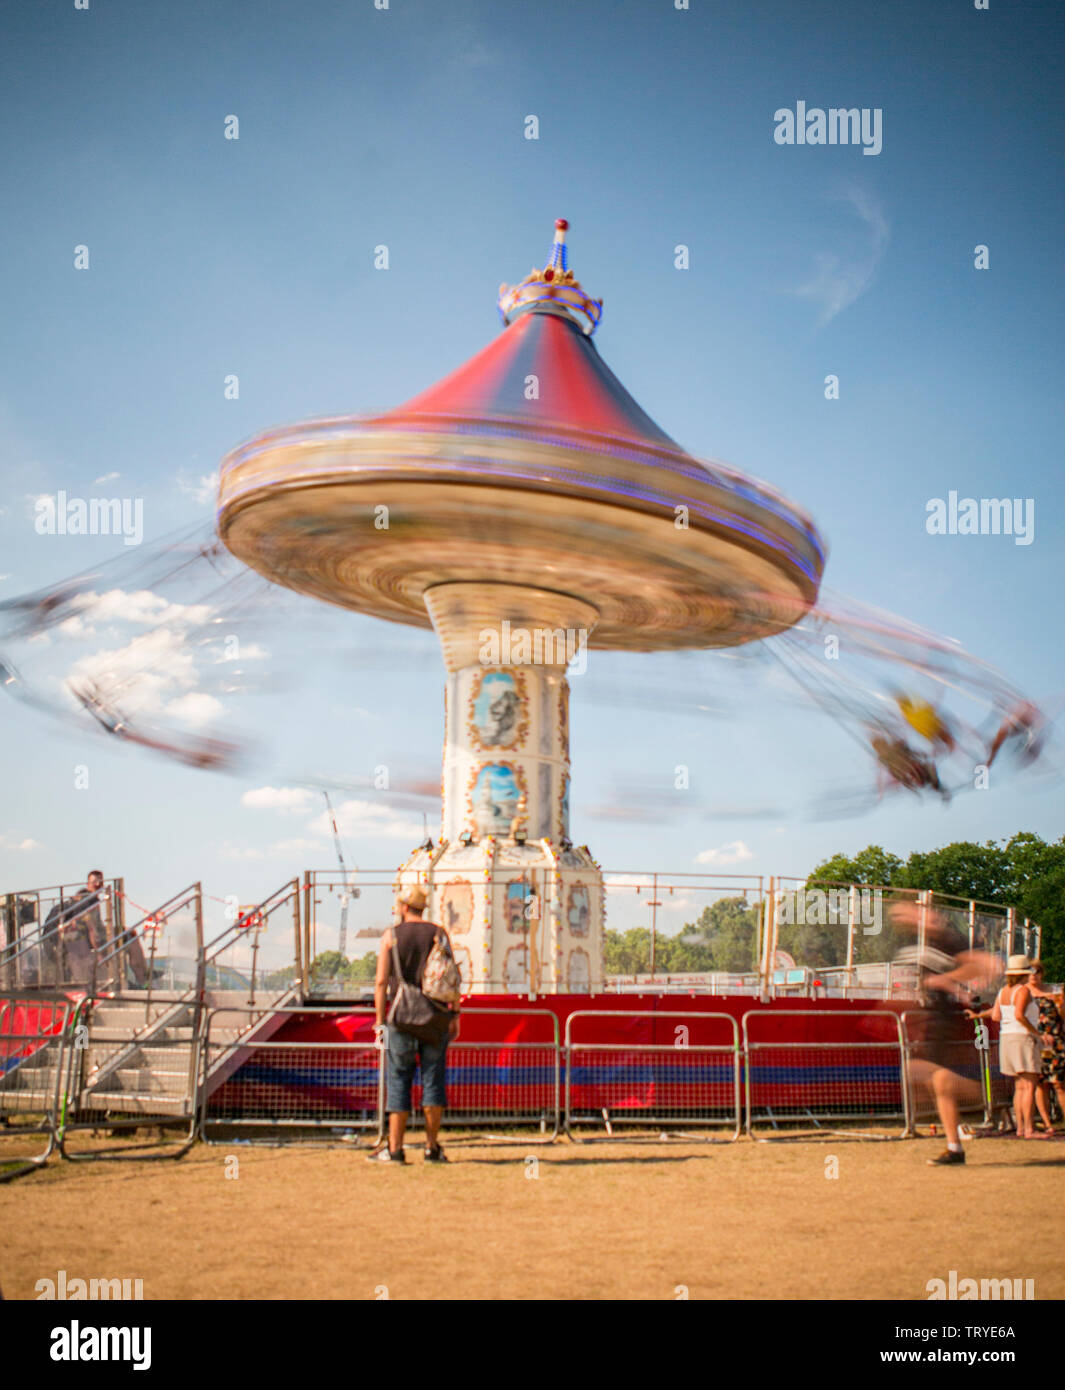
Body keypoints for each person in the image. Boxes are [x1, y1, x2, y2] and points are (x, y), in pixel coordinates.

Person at [892, 900, 999, 1166]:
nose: (903, 919)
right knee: (937, 1085)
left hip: (943, 1023)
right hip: (930, 1022)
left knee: (918, 1073)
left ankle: (982, 1094)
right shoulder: (921, 944)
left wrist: (947, 980)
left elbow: (988, 965)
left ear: (928, 913)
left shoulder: (949, 938)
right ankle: (955, 1148)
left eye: (908, 912)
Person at [371, 886, 460, 1165]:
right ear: (422, 907)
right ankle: (432, 1148)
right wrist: (455, 1014)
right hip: (434, 1017)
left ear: (403, 906)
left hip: (400, 1018)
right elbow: (452, 977)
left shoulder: (391, 936)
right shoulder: (439, 933)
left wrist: (378, 1021)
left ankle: (395, 1150)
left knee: (399, 1081)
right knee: (434, 1082)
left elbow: (381, 982)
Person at [969, 956, 1045, 1139]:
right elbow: (1019, 1015)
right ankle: (1029, 1129)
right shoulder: (1023, 991)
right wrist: (1036, 1033)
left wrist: (978, 1015)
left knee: (1019, 1087)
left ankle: (1021, 1128)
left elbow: (996, 1015)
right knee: (1029, 1086)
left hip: (1007, 1038)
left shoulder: (1003, 991)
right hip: (1023, 1038)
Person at [1026, 960, 1065, 1133]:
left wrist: (1061, 1006)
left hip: (1056, 1042)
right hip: (1035, 1043)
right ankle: (1047, 1123)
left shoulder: (1054, 991)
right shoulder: (1023, 993)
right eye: (1030, 972)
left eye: (1037, 971)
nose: (1033, 975)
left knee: (1059, 1083)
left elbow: (1062, 1018)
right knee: (1040, 1084)